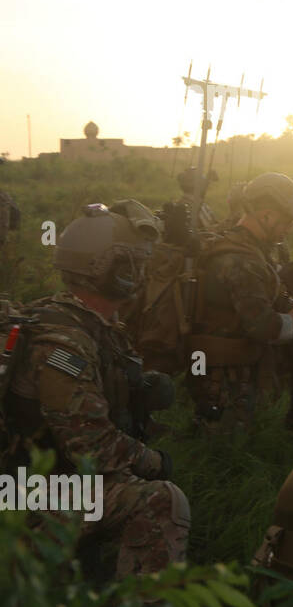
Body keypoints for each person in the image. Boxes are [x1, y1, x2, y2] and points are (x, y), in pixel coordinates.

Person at [3, 200, 187, 577]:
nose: (142, 273)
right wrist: (153, 462)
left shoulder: (84, 323)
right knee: (162, 500)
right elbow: (92, 446)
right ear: (115, 270)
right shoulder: (64, 343)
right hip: (25, 495)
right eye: (136, 264)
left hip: (45, 482)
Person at [186, 172, 293, 427]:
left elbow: (273, 301)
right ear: (266, 214)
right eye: (287, 221)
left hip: (242, 355)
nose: (290, 228)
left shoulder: (253, 249)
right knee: (232, 449)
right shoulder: (241, 261)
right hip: (225, 374)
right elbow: (267, 328)